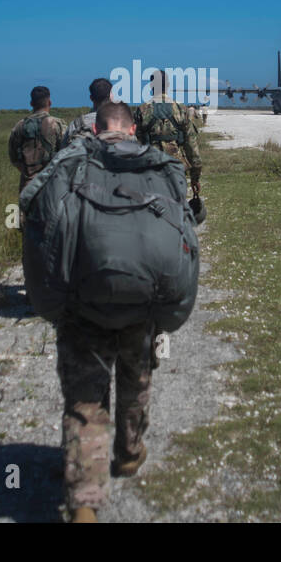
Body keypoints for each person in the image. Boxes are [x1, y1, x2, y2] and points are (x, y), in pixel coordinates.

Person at [27, 101, 184, 522]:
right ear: (133, 130)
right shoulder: (161, 168)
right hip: (142, 303)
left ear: (96, 130)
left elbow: (42, 230)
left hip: (84, 306)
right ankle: (130, 453)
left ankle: (84, 500)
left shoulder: (71, 164)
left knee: (85, 400)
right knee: (136, 378)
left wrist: (52, 303)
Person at [133, 69, 202, 201]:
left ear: (151, 86)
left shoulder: (141, 110)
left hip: (150, 168)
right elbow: (191, 146)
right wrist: (195, 177)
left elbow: (135, 144)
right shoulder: (181, 109)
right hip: (176, 167)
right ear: (168, 85)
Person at [8, 85, 67, 192]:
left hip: (27, 186)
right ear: (49, 102)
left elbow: (14, 158)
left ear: (31, 103)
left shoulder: (20, 126)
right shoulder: (57, 124)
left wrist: (28, 172)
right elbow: (66, 153)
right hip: (51, 185)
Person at [61, 77, 113, 148]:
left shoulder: (75, 124)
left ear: (91, 98)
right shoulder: (121, 123)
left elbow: (64, 151)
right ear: (111, 97)